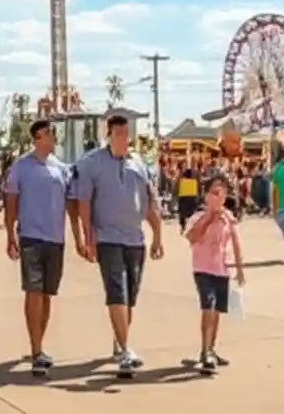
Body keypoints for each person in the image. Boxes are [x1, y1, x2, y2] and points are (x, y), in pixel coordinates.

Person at [67, 115, 165, 376]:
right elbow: (83, 202)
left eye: (126, 133)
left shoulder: (138, 164)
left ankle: (120, 341)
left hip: (136, 239)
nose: (123, 137)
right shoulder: (92, 163)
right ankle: (124, 349)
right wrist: (87, 236)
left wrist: (157, 234)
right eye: (118, 133)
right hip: (108, 238)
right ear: (108, 134)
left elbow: (148, 201)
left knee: (130, 297)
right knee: (117, 292)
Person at [4, 120, 71, 377]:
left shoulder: (60, 168)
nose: (53, 137)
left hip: (56, 239)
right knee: (33, 291)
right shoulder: (21, 166)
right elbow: (12, 200)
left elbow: (72, 201)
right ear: (38, 137)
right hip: (31, 236)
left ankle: (39, 346)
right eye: (49, 133)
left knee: (46, 294)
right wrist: (10, 234)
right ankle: (36, 349)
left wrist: (80, 234)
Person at [184, 174, 245, 372]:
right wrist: (209, 219)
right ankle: (204, 351)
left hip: (222, 269)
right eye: (214, 193)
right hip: (203, 269)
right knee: (208, 307)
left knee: (217, 310)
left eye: (222, 193)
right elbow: (192, 237)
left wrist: (239, 269)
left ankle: (211, 348)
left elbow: (236, 243)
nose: (218, 197)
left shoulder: (228, 218)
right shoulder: (198, 217)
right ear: (206, 196)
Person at [176, 165, 199, 233]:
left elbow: (178, 193)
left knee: (182, 215)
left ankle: (183, 227)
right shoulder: (194, 183)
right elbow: (196, 194)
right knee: (191, 215)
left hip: (184, 203)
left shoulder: (182, 182)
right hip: (191, 203)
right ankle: (191, 227)